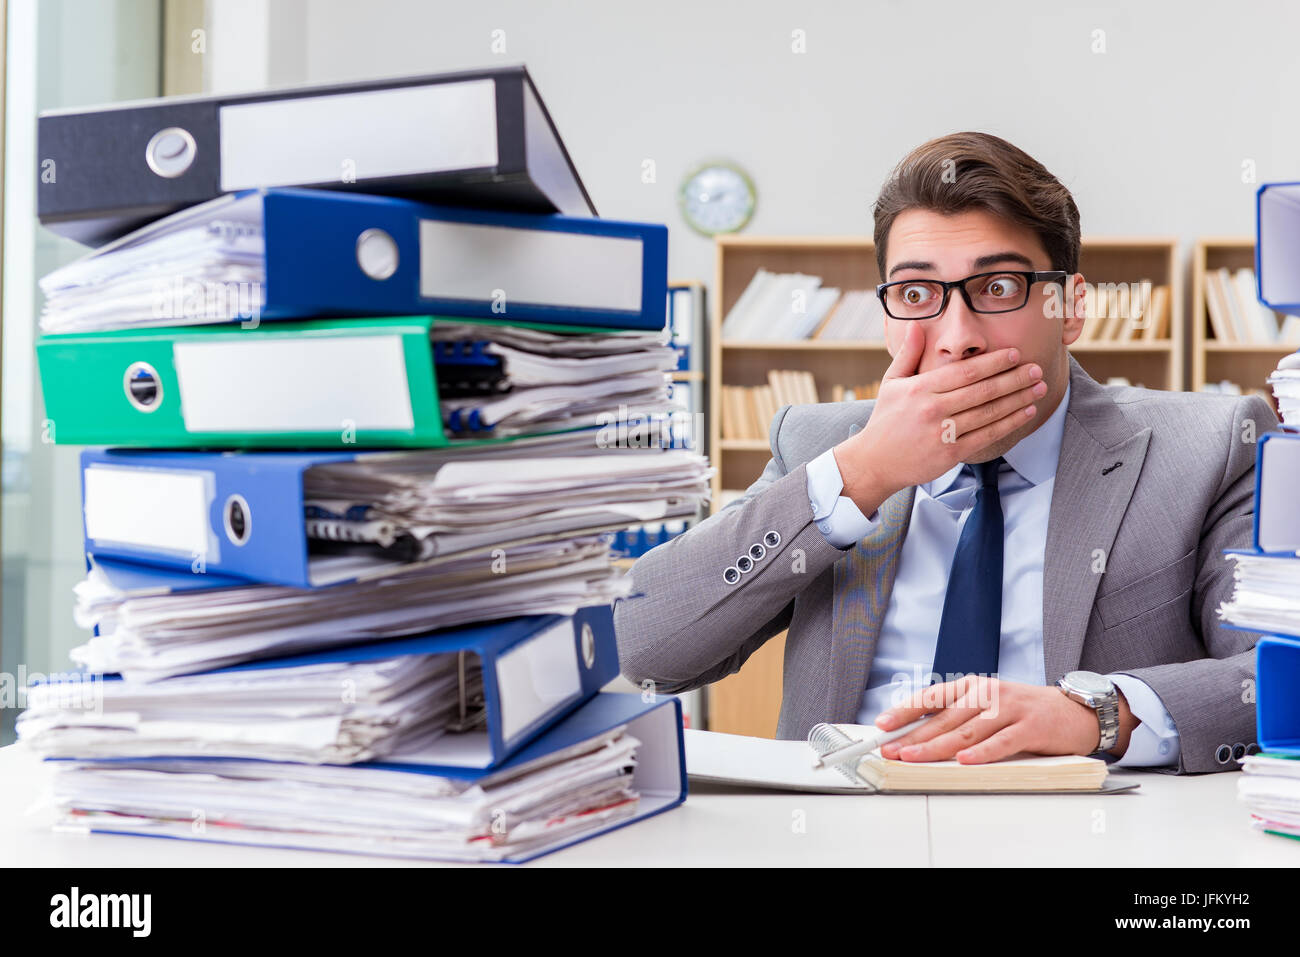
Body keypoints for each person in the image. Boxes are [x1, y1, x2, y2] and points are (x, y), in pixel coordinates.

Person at [615, 131, 1276, 774]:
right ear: (887, 319)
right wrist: (862, 473)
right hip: (842, 831)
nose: (957, 337)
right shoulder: (819, 448)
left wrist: (1094, 715)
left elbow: (1276, 675)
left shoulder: (1209, 449)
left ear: (1071, 306)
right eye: (917, 293)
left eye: (997, 288)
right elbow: (644, 648)